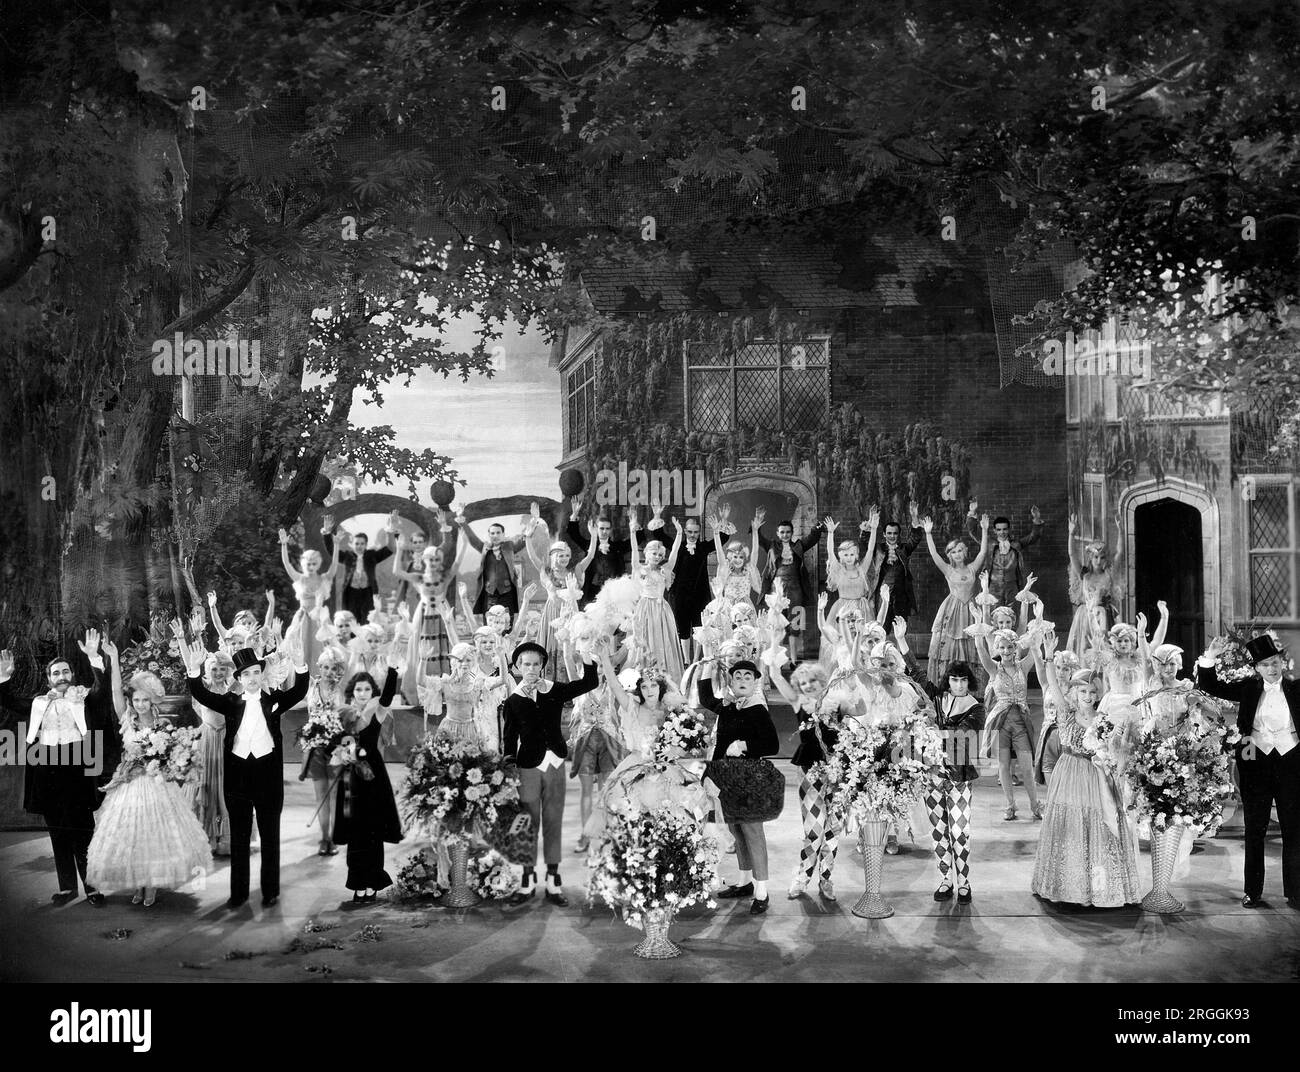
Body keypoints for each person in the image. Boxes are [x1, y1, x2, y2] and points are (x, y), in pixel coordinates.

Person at [180, 635, 310, 909]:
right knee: (239, 838)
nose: (252, 678)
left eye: (256, 672)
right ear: (239, 676)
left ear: (262, 674)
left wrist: (300, 667)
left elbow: (298, 693)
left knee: (270, 836)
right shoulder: (231, 701)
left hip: (268, 778)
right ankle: (238, 894)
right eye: (246, 674)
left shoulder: (273, 699)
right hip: (237, 778)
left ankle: (270, 892)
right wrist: (193, 671)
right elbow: (202, 694)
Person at [0, 632, 116, 907]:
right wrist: (4, 677)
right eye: (56, 673)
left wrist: (93, 657)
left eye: (65, 671)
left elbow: (102, 689)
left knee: (83, 830)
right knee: (58, 831)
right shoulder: (39, 702)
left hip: (77, 767)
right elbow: (10, 701)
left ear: (72, 675)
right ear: (49, 678)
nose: (61, 676)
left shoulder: (84, 698)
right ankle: (67, 888)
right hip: (47, 771)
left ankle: (92, 888)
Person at [85, 665, 212, 907]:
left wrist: (167, 759)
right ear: (131, 701)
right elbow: (114, 691)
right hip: (131, 783)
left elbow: (172, 753)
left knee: (153, 835)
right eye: (136, 699)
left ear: (152, 700)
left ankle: (151, 885)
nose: (140, 704)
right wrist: (112, 659)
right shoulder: (127, 720)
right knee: (133, 836)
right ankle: (139, 884)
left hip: (156, 784)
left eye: (144, 699)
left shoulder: (162, 723)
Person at [1030, 634, 1141, 908]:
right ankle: (1068, 886)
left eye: (1093, 692)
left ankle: (1100, 888)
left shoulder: (1103, 718)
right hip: (1069, 772)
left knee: (1097, 824)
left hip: (1095, 775)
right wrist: (1047, 655)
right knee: (1071, 824)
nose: (1088, 697)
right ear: (1074, 693)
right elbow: (1051, 682)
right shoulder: (1066, 712)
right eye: (1083, 692)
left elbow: (1113, 746)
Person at [1197, 632, 1300, 909]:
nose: (1272, 668)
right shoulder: (1248, 688)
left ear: (1282, 663)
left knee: (1294, 830)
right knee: (1255, 830)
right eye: (1265, 664)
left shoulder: (1296, 689)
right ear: (1256, 668)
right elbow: (1210, 685)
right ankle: (1252, 892)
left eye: (1275, 662)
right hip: (1257, 765)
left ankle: (1296, 892)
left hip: (1292, 765)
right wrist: (1210, 656)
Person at [501, 641, 601, 906]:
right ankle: (527, 880)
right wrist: (508, 771)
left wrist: (587, 650)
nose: (531, 669)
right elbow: (509, 740)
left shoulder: (555, 690)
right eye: (526, 664)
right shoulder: (512, 701)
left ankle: (554, 881)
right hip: (528, 768)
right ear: (517, 668)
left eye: (536, 664)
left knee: (554, 821)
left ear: (542, 665)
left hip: (555, 763)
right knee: (527, 824)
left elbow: (590, 682)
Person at [699, 659, 781, 915]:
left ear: (755, 681)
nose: (743, 680)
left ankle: (762, 891)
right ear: (731, 682)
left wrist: (745, 746)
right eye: (738, 676)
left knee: (753, 832)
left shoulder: (757, 710)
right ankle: (745, 882)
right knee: (736, 830)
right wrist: (706, 666)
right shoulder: (727, 706)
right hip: (724, 778)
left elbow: (773, 746)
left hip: (749, 780)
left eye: (748, 676)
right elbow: (704, 697)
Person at [768, 651, 845, 901]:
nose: (808, 686)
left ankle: (826, 879)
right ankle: (802, 877)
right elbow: (774, 675)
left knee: (832, 828)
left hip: (838, 771)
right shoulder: (799, 703)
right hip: (809, 769)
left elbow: (861, 707)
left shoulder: (837, 702)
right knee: (814, 828)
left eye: (812, 681)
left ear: (822, 680)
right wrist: (772, 642)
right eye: (803, 683)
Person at [334, 665, 404, 904]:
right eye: (358, 689)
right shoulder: (344, 714)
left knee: (373, 831)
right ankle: (357, 882)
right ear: (352, 692)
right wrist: (343, 753)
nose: (362, 693)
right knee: (356, 833)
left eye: (366, 689)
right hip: (351, 780)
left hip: (374, 779)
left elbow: (387, 696)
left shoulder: (377, 711)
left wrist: (393, 672)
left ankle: (372, 882)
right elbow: (343, 751)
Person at [924, 661, 985, 904]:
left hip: (959, 776)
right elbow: (918, 678)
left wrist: (928, 731)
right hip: (932, 774)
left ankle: (964, 884)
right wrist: (902, 643)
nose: (958, 685)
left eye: (963, 680)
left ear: (969, 682)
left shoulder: (977, 708)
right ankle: (946, 880)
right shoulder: (939, 699)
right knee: (938, 831)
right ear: (947, 680)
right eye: (953, 679)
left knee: (959, 832)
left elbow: (960, 736)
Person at [972, 625, 1042, 821]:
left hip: (1021, 722)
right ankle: (1010, 805)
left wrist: (1038, 621)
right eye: (1002, 648)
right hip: (1001, 722)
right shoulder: (994, 669)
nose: (1006, 651)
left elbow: (1036, 648)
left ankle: (1035, 805)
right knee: (1003, 766)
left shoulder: (1024, 666)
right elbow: (980, 651)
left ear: (1016, 648)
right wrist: (979, 628)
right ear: (997, 649)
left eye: (1010, 647)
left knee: (1027, 766)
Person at [920, 513, 990, 687]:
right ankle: (947, 684)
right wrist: (928, 534)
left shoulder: (972, 568)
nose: (957, 554)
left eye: (960, 550)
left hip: (971, 609)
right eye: (954, 551)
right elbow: (934, 553)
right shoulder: (948, 570)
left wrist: (984, 529)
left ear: (965, 552)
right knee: (949, 646)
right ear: (950, 555)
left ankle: (972, 686)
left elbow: (983, 551)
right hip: (952, 609)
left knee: (972, 644)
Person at [753, 512, 825, 662]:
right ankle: (776, 659)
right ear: (778, 533)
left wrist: (818, 527)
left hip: (795, 588)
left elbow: (812, 538)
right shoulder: (772, 546)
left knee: (795, 625)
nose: (785, 535)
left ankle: (793, 660)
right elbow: (758, 539)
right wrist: (756, 528)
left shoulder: (798, 546)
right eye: (782, 532)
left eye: (788, 532)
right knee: (776, 624)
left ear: (792, 533)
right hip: (776, 589)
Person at [300, 647, 349, 855]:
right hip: (316, 748)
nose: (329, 672)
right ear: (319, 667)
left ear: (339, 669)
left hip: (337, 748)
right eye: (326, 667)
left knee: (335, 794)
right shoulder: (311, 686)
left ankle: (334, 837)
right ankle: (324, 838)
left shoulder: (344, 689)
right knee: (321, 794)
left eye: (334, 668)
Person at [628, 510, 686, 685]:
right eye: (654, 553)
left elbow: (674, 553)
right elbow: (633, 552)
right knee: (645, 639)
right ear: (646, 553)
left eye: (660, 555)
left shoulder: (664, 570)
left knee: (662, 640)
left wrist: (680, 533)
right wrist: (632, 532)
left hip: (661, 609)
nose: (658, 557)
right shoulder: (640, 569)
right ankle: (643, 675)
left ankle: (664, 675)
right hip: (645, 607)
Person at [279, 520, 342, 675]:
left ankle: (320, 675)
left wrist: (337, 546)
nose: (311, 567)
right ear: (303, 564)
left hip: (319, 617)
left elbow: (334, 567)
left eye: (314, 564)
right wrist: (284, 545)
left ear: (318, 564)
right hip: (303, 616)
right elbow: (287, 564)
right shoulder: (300, 578)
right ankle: (301, 676)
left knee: (320, 645)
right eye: (308, 564)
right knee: (300, 643)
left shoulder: (323, 579)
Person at [190, 649, 236, 855]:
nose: (218, 672)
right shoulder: (204, 688)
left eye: (222, 669)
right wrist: (184, 642)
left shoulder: (233, 688)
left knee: (226, 787)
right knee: (208, 787)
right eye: (214, 669)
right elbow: (191, 669)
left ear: (227, 671)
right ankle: (207, 837)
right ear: (209, 670)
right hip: (207, 740)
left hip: (227, 740)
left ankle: (226, 837)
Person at [1065, 514, 1125, 662]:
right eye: (1095, 557)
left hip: (1104, 615)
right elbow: (1072, 554)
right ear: (1090, 558)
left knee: (1106, 648)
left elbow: (1119, 553)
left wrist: (1121, 532)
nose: (1098, 561)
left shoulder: (1108, 574)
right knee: (1086, 647)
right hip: (1086, 615)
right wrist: (1071, 534)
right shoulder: (1084, 574)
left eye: (1102, 557)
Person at [965, 502, 1044, 607]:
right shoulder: (989, 543)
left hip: (1013, 586)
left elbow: (1033, 537)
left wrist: (1037, 519)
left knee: (1012, 616)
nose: (1002, 532)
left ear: (1008, 529)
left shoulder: (1016, 544)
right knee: (994, 615)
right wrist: (972, 512)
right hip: (993, 586)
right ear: (994, 531)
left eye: (1004, 529)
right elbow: (973, 532)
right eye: (999, 530)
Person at [822, 514, 876, 664]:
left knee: (863, 640)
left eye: (852, 554)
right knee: (842, 642)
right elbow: (830, 553)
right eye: (845, 555)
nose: (849, 557)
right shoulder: (839, 570)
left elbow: (871, 550)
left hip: (861, 607)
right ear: (841, 556)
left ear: (856, 555)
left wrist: (874, 529)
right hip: (842, 608)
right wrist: (831, 533)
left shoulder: (862, 569)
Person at [328, 514, 399, 624]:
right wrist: (327, 534)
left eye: (362, 544)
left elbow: (390, 549)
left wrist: (390, 531)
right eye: (357, 543)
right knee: (351, 620)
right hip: (351, 593)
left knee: (367, 621)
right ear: (353, 544)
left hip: (367, 593)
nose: (359, 546)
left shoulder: (371, 556)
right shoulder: (347, 556)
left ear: (366, 545)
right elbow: (331, 551)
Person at [460, 509, 530, 618]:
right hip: (489, 594)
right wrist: (462, 522)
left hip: (507, 593)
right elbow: (473, 539)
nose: (495, 535)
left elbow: (523, 540)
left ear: (503, 534)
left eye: (498, 533)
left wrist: (533, 522)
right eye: (492, 533)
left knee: (506, 623)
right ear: (489, 535)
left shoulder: (509, 546)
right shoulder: (485, 548)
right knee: (489, 623)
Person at [665, 514, 715, 666]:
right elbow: (658, 534)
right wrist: (657, 516)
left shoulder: (703, 547)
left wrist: (720, 525)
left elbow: (724, 538)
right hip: (680, 594)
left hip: (700, 594)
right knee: (683, 626)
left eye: (696, 532)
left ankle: (696, 660)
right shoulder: (678, 546)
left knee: (699, 626)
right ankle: (686, 660)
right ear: (685, 531)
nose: (693, 535)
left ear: (699, 533)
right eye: (690, 532)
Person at [863, 502, 922, 627]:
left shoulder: (904, 549)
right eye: (889, 533)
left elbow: (915, 538)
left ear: (898, 535)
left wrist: (915, 517)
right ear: (884, 534)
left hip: (901, 596)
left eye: (895, 533)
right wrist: (870, 522)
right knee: (881, 626)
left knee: (901, 627)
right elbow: (865, 540)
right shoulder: (878, 549)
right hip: (882, 594)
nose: (892, 536)